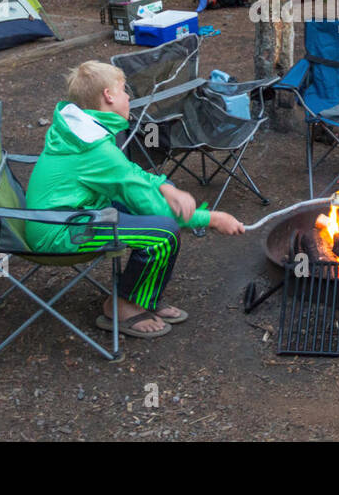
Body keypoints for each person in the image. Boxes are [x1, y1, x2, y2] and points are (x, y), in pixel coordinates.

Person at [25, 61, 245, 338]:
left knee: (163, 204)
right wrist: (212, 219)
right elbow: (145, 201)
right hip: (60, 231)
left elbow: (128, 173)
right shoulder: (94, 149)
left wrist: (165, 186)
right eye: (123, 90)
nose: (129, 96)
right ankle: (120, 305)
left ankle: (142, 299)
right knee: (163, 232)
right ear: (109, 96)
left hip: (73, 213)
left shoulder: (81, 130)